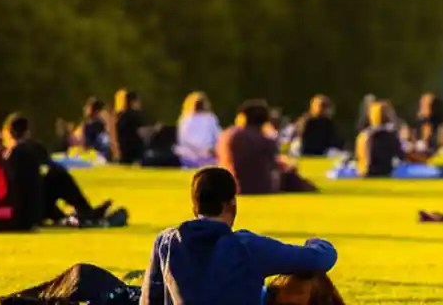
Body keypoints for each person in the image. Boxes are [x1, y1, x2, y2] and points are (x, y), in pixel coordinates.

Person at [139, 166, 337, 305]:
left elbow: (149, 299)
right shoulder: (246, 246)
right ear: (232, 203)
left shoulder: (167, 241)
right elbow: (322, 259)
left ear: (194, 206)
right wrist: (314, 242)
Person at [1, 113, 111, 230]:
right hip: (32, 210)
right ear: (27, 132)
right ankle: (84, 209)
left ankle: (77, 213)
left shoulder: (6, 156)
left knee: (50, 177)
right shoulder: (36, 149)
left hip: (22, 210)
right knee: (57, 174)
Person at [218, 100, 281, 195]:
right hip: (260, 186)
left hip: (232, 185)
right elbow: (273, 162)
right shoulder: (263, 139)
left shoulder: (227, 135)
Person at [355, 101, 404, 177]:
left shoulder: (366, 135)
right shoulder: (391, 135)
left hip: (369, 171)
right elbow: (400, 155)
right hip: (386, 171)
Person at [176, 92, 222, 167]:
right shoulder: (210, 118)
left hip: (187, 158)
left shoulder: (184, 119)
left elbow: (182, 140)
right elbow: (218, 137)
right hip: (207, 156)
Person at [114, 89, 150, 165]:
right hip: (135, 155)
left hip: (124, 154)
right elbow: (143, 132)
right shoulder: (135, 115)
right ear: (134, 102)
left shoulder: (121, 117)